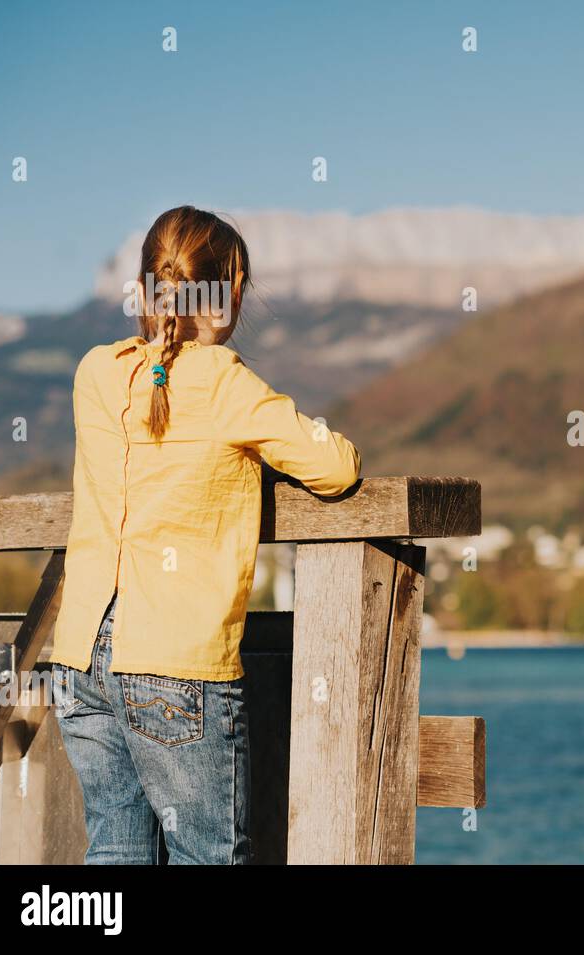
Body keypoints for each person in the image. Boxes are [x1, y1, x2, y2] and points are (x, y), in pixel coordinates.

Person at [49, 206, 361, 864]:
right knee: (209, 855)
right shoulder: (225, 383)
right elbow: (335, 468)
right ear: (231, 293)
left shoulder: (95, 373)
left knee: (114, 852)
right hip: (175, 663)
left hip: (80, 657)